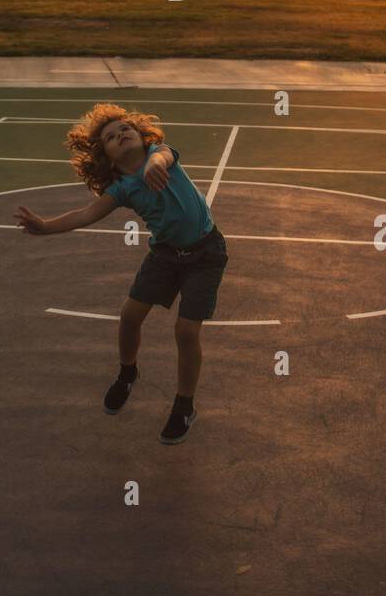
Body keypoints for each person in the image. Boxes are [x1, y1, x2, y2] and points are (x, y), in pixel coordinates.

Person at [14, 103, 228, 444]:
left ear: (142, 137)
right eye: (111, 137)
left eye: (125, 129)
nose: (120, 135)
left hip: (206, 253)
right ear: (108, 159)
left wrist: (154, 165)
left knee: (187, 331)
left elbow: (163, 159)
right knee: (129, 317)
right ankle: (128, 373)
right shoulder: (121, 189)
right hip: (165, 255)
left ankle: (184, 405)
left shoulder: (160, 154)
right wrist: (45, 226)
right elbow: (85, 215)